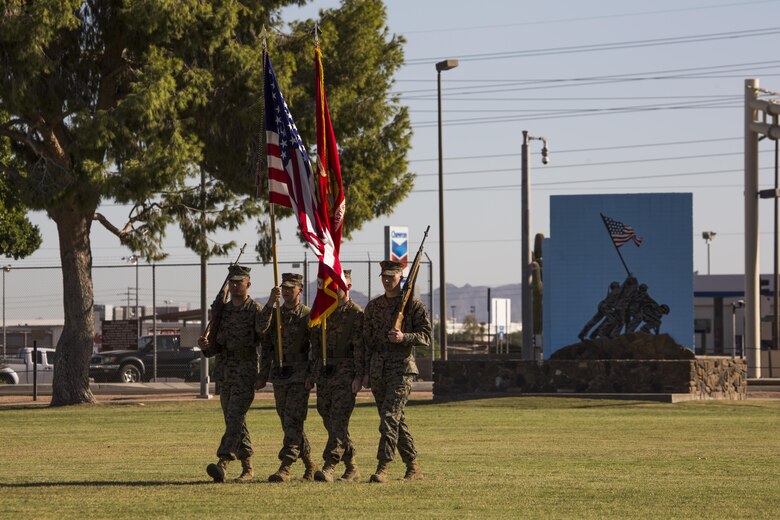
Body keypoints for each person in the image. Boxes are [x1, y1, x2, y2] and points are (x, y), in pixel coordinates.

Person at [362, 260, 432, 483]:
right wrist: (364, 372)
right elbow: (366, 343)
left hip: (401, 370)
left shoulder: (413, 306)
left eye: (391, 277)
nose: (386, 280)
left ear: (400, 278)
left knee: (389, 418)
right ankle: (413, 465)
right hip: (378, 370)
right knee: (395, 419)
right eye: (383, 276)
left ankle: (383, 466)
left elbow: (427, 337)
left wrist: (405, 337)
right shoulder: (373, 307)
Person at [199, 264, 264, 483]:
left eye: (239, 282)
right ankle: (248, 468)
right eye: (232, 282)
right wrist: (206, 345)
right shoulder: (222, 312)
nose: (236, 286)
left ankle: (223, 462)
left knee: (235, 417)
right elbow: (214, 348)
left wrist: (263, 374)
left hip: (245, 372)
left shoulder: (255, 310)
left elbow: (265, 341)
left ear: (248, 284)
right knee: (235, 420)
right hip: (225, 372)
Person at [257, 272, 317, 482]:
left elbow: (316, 349)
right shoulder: (275, 315)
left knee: (293, 419)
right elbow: (262, 334)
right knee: (288, 421)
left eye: (291, 288)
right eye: (284, 288)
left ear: (300, 290)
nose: (286, 291)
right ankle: (309, 463)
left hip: (300, 374)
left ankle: (286, 466)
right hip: (280, 374)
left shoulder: (308, 315)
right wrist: (269, 304)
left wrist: (312, 374)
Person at [310, 270, 364, 482]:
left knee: (339, 420)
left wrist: (359, 376)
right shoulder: (324, 312)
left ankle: (329, 465)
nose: (334, 290)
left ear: (347, 287)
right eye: (330, 286)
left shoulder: (356, 315)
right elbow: (315, 346)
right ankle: (352, 466)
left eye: (338, 286)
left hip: (345, 374)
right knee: (329, 418)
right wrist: (313, 373)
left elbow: (360, 349)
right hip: (325, 374)